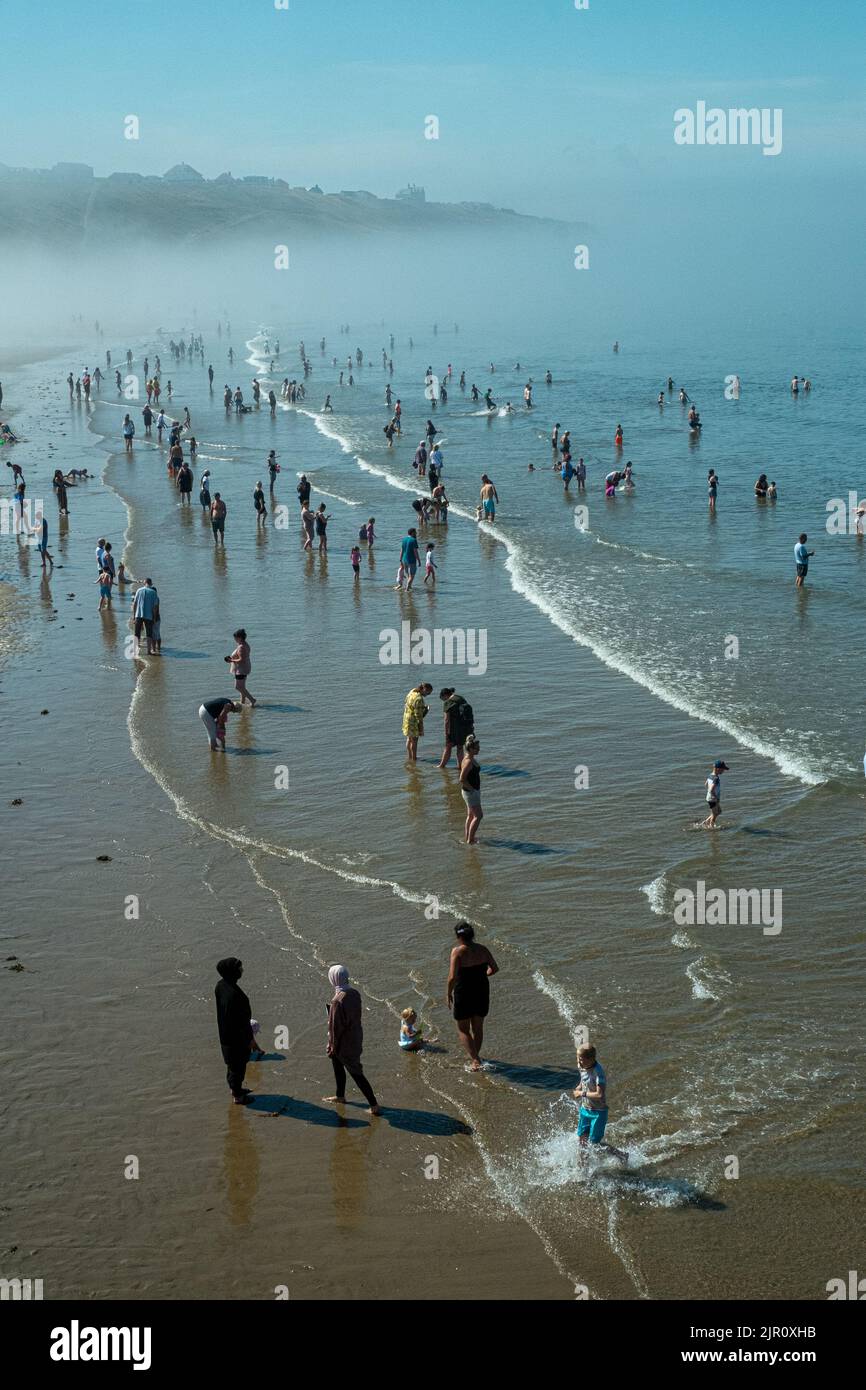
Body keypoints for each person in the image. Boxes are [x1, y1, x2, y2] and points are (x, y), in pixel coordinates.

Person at [323, 965, 381, 1114]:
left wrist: (332, 1046)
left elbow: (336, 1028)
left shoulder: (337, 1000)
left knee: (356, 1072)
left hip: (344, 1043)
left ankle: (374, 1105)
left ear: (333, 979)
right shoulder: (354, 993)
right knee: (337, 1065)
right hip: (355, 1036)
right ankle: (340, 1096)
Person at [447, 923, 498, 1071]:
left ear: (458, 936)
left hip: (464, 992)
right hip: (481, 990)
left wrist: (448, 993)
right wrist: (482, 975)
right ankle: (476, 1057)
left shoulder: (457, 952)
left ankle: (475, 1060)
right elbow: (495, 968)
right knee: (478, 1028)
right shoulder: (483, 949)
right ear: (472, 934)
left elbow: (452, 977)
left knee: (463, 1029)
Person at [573, 1043, 627, 1161]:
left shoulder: (598, 1073)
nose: (578, 1062)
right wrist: (579, 1086)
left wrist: (581, 1093)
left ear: (591, 1059)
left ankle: (621, 1155)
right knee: (582, 1141)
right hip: (585, 1109)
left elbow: (599, 1094)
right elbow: (583, 1077)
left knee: (594, 1144)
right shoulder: (582, 1065)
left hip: (598, 1113)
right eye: (577, 1058)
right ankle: (583, 1168)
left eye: (581, 1059)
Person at [214, 958, 256, 1105]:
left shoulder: (221, 986)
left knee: (232, 1065)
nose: (241, 970)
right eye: (239, 968)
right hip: (236, 1037)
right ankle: (238, 1096)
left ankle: (234, 1089)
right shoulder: (233, 994)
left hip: (226, 1034)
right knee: (238, 1066)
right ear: (232, 972)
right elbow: (240, 1021)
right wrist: (249, 1039)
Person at [437, 688, 474, 768]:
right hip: (465, 727)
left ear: (445, 695)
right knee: (460, 747)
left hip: (454, 729)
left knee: (448, 746)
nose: (444, 701)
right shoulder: (461, 698)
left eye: (443, 699)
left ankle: (441, 766)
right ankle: (460, 766)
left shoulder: (448, 702)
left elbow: (446, 720)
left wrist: (446, 733)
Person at [459, 735, 483, 844]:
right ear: (471, 749)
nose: (479, 749)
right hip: (470, 792)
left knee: (470, 816)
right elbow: (462, 779)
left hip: (469, 792)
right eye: (477, 748)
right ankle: (470, 840)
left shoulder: (468, 757)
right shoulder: (468, 761)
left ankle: (468, 837)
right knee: (478, 816)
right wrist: (472, 790)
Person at [224, 629, 256, 706]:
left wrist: (231, 660)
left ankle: (252, 700)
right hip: (244, 668)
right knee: (242, 687)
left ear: (240, 637)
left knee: (238, 687)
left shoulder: (241, 647)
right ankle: (242, 702)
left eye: (235, 637)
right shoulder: (245, 644)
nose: (234, 639)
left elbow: (241, 660)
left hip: (241, 669)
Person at [402, 682, 432, 760]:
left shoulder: (412, 691)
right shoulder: (419, 699)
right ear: (424, 689)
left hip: (406, 718)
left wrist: (421, 707)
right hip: (413, 721)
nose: (428, 695)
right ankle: (414, 758)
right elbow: (419, 716)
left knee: (409, 739)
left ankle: (409, 756)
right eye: (428, 693)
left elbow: (407, 702)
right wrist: (421, 729)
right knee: (415, 740)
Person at [131, 578, 159, 657]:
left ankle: (135, 651)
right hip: (149, 615)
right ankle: (149, 651)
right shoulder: (153, 592)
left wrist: (134, 616)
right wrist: (154, 617)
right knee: (149, 634)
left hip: (138, 614)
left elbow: (135, 604)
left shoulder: (139, 590)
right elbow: (155, 607)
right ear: (151, 583)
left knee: (137, 633)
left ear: (144, 583)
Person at [701, 758, 729, 829]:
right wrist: (715, 797)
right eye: (723, 769)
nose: (723, 771)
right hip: (713, 799)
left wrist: (711, 792)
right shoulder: (716, 778)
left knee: (719, 811)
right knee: (714, 814)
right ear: (717, 769)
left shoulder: (710, 775)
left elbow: (706, 784)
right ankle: (711, 827)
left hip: (711, 798)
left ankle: (706, 822)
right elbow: (711, 790)